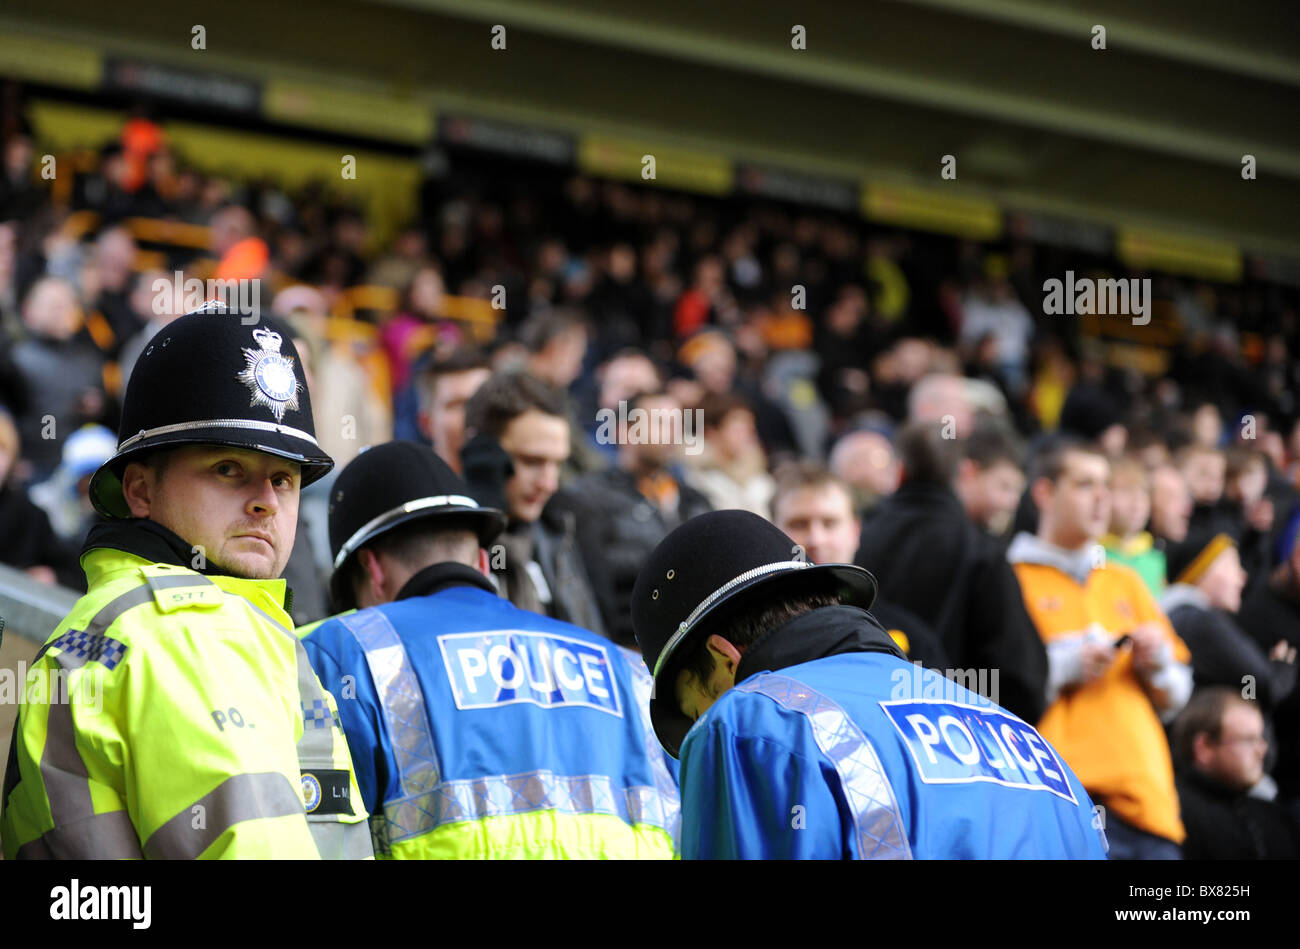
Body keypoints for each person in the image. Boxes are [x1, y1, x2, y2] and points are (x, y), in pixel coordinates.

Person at [1, 304, 371, 860]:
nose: (266, 502)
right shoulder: (184, 630)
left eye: (283, 479)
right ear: (141, 491)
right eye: (227, 469)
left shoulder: (128, 623)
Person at [631, 509, 1107, 859]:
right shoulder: (1026, 741)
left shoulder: (747, 723)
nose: (707, 722)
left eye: (698, 709)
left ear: (721, 659)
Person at [301, 441, 679, 858]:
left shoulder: (340, 652)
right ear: (482, 561)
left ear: (371, 570)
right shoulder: (628, 671)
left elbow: (320, 839)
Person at [1008, 438, 1192, 859]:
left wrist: (1158, 663)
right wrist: (1068, 664)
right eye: (1085, 484)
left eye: (1106, 485)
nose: (1101, 498)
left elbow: (1178, 694)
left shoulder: (1125, 579)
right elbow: (996, 685)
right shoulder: (1009, 578)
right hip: (1057, 800)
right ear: (1044, 493)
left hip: (1148, 803)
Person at [854, 420, 1048, 723]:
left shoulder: (856, 539)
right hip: (956, 732)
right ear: (962, 473)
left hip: (869, 721)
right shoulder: (981, 550)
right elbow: (1021, 674)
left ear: (900, 470)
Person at [553, 389, 713, 647]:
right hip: (627, 646)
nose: (673, 432)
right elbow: (588, 588)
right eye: (661, 422)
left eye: (677, 423)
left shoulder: (695, 499)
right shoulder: (588, 498)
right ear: (624, 431)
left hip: (697, 641)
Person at [459, 371, 606, 636]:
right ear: (479, 451)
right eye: (531, 461)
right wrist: (484, 518)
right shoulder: (447, 544)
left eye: (557, 464)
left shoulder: (562, 530)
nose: (548, 483)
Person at [771, 460, 949, 671]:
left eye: (830, 523)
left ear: (855, 531)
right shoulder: (747, 637)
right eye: (799, 524)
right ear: (772, 530)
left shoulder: (911, 639)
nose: (816, 539)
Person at [1160, 530, 1296, 710]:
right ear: (1202, 571)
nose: (1242, 576)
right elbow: (1260, 683)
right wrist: (1281, 667)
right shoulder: (1201, 622)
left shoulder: (1180, 616)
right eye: (1233, 565)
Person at [1173, 688, 1300, 859]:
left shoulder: (1272, 816)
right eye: (1248, 740)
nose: (1261, 750)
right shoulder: (1175, 813)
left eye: (1260, 739)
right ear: (1204, 747)